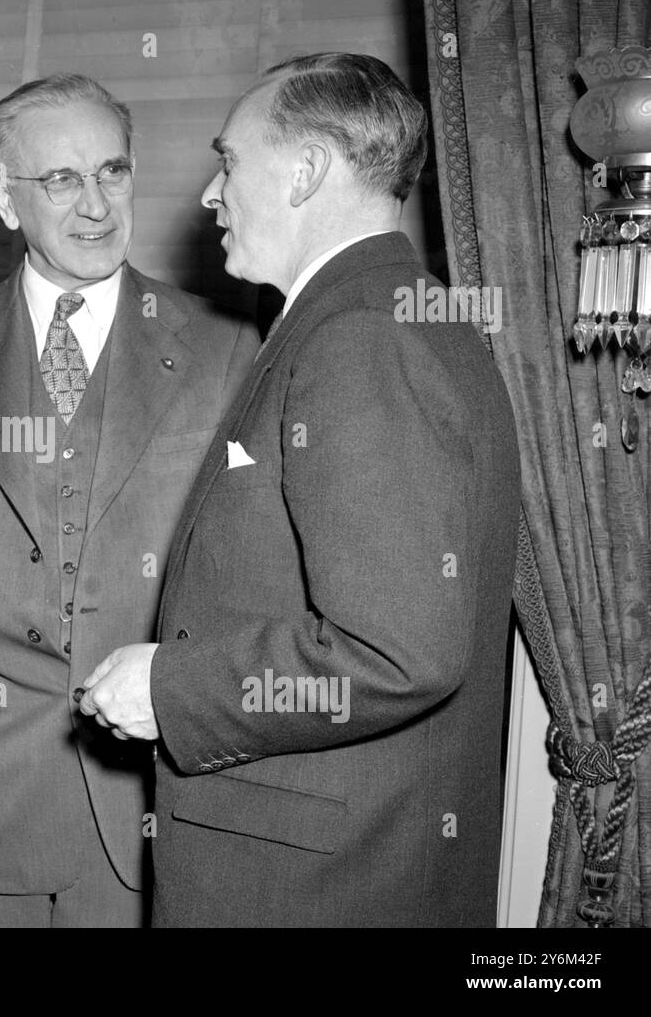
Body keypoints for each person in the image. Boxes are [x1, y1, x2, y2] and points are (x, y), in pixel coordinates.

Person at [79, 52, 521, 927]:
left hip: (311, 888)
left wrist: (170, 688)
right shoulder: (403, 313)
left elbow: (397, 650)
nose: (210, 193)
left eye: (229, 160)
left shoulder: (360, 338)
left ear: (307, 169)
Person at [0, 73, 259, 927]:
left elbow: (245, 584)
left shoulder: (227, 348)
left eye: (111, 172)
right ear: (6, 199)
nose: (95, 206)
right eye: (61, 180)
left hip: (153, 794)